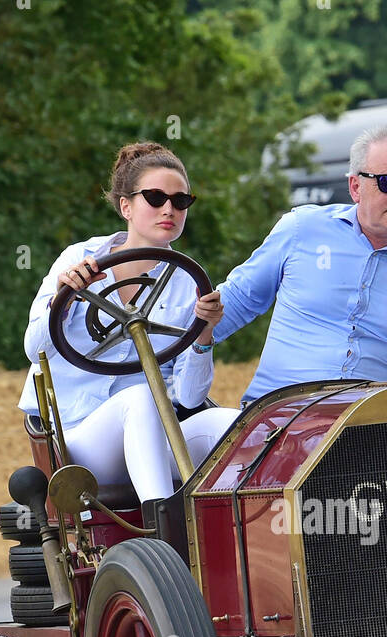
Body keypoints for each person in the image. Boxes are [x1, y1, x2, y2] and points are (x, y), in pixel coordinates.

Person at [19, 141, 239, 502]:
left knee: (237, 425)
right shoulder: (79, 258)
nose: (169, 209)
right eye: (155, 198)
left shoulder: (188, 282)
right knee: (139, 397)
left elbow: (189, 397)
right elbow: (34, 349)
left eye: (181, 201)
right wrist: (68, 296)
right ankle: (163, 523)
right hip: (80, 443)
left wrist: (205, 333)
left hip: (157, 436)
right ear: (126, 206)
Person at [206, 125, 387, 405]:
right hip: (273, 419)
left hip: (368, 431)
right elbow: (232, 304)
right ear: (355, 187)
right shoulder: (300, 229)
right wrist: (165, 363)